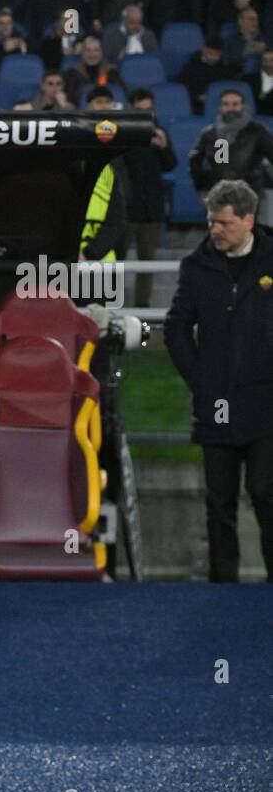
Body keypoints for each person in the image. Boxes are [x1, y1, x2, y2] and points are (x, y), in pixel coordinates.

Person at [164, 179, 273, 582]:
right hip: (217, 403)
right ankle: (223, 586)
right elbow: (176, 327)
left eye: (224, 223)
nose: (215, 230)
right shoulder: (197, 267)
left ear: (248, 220)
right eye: (212, 221)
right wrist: (201, 379)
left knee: (265, 491)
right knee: (219, 500)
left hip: (265, 402)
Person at [121, 88, 177, 305]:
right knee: (116, 261)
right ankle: (109, 304)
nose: (145, 113)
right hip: (125, 209)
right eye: (140, 109)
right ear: (131, 108)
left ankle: (142, 306)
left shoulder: (158, 133)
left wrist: (164, 147)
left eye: (148, 109)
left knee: (147, 263)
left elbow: (170, 164)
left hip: (151, 208)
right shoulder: (123, 134)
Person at [189, 88, 273, 199]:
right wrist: (201, 189)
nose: (230, 108)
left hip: (250, 196)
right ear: (220, 107)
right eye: (226, 104)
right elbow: (194, 161)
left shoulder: (257, 132)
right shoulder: (209, 134)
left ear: (243, 106)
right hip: (217, 195)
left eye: (235, 104)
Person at [80, 86, 128, 262]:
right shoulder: (80, 135)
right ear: (89, 105)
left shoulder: (123, 134)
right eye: (99, 102)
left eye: (107, 102)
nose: (104, 106)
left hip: (116, 211)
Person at [179, 36, 237, 114]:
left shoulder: (225, 68)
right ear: (203, 49)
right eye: (210, 53)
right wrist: (198, 96)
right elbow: (181, 90)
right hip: (198, 107)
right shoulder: (191, 67)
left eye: (217, 54)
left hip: (222, 106)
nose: (213, 57)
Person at [245, 48, 273, 115]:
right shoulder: (249, 79)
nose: (268, 64)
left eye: (272, 60)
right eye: (265, 60)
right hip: (258, 116)